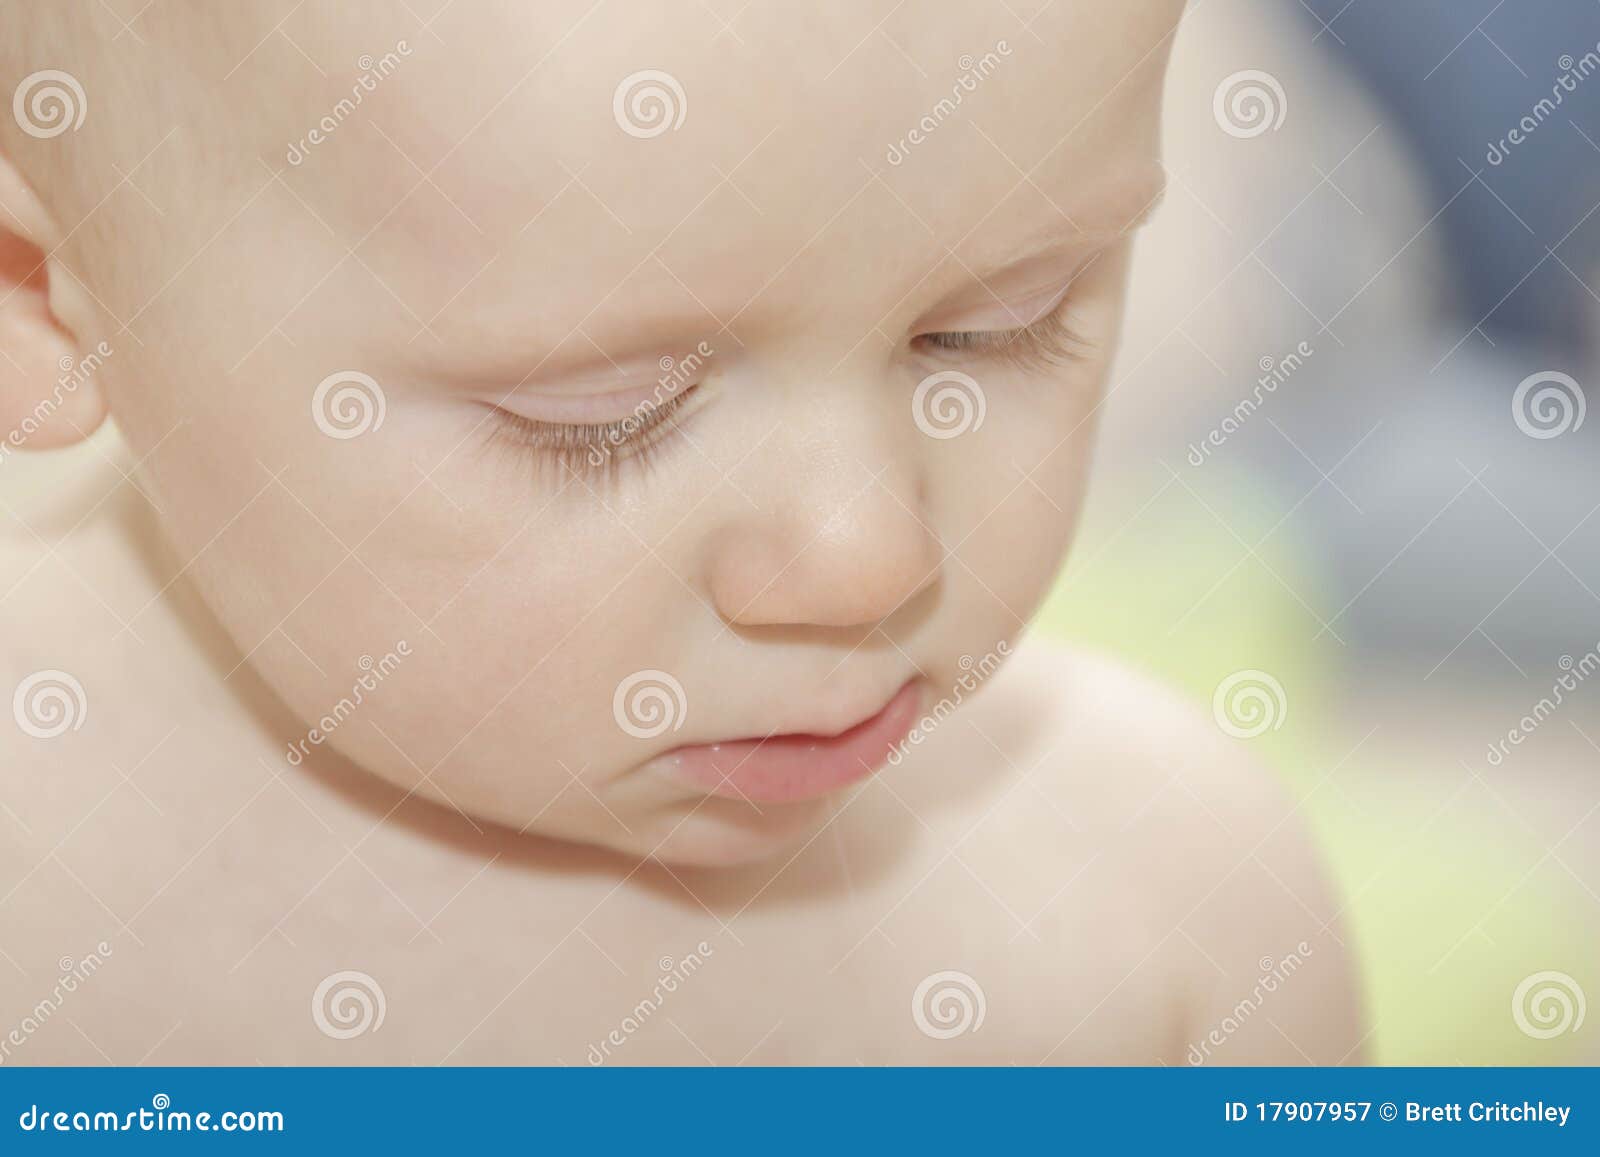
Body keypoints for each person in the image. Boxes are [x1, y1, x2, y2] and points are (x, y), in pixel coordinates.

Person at [0, 1, 1359, 1063]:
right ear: (48, 300)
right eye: (604, 414)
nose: (866, 555)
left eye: (993, 328)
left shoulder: (1169, 930)